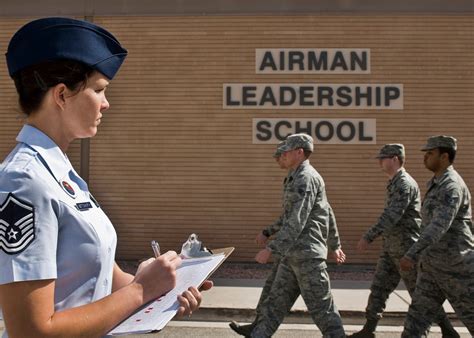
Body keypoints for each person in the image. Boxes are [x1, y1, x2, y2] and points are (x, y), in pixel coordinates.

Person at [0, 17, 212, 338]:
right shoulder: (23, 182)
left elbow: (102, 281)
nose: (106, 103)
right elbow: (31, 331)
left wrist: (166, 286)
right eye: (99, 90)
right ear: (61, 95)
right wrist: (141, 290)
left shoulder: (62, 176)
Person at [231, 133, 346, 338]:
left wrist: (271, 249)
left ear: (299, 152)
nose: (281, 156)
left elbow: (297, 220)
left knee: (323, 310)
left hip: (307, 256)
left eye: (286, 151)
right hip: (292, 255)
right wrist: (268, 232)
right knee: (274, 302)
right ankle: (257, 332)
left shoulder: (306, 178)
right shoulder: (295, 177)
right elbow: (298, 215)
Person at [349, 144, 458, 338]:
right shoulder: (393, 182)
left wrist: (369, 236)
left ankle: (447, 329)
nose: (380, 162)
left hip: (407, 249)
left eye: (384, 158)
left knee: (421, 293)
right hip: (391, 248)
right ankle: (369, 329)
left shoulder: (404, 184)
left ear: (395, 159)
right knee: (379, 288)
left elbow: (392, 215)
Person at [400, 135, 474, 337]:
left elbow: (438, 227)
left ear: (445, 156)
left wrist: (412, 254)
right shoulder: (435, 184)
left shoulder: (451, 187)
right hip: (432, 269)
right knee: (414, 325)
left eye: (430, 153)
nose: (425, 157)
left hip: (456, 269)